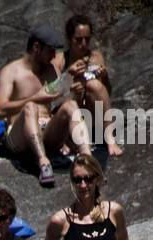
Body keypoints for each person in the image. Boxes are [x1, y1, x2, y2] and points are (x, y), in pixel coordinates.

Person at [0, 22, 91, 188]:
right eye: (50, 51)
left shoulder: (51, 69)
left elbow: (58, 101)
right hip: (20, 136)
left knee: (70, 105)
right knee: (30, 107)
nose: (54, 56)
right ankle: (43, 162)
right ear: (36, 47)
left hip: (47, 131)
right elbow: (0, 109)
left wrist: (74, 85)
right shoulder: (11, 72)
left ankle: (88, 159)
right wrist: (34, 98)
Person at [59, 13, 122, 157]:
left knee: (95, 86)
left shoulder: (95, 57)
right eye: (78, 40)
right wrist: (69, 75)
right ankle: (68, 140)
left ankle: (109, 139)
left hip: (90, 114)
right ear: (70, 39)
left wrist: (104, 77)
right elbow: (51, 93)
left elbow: (107, 92)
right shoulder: (61, 59)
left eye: (87, 39)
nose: (83, 44)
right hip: (70, 112)